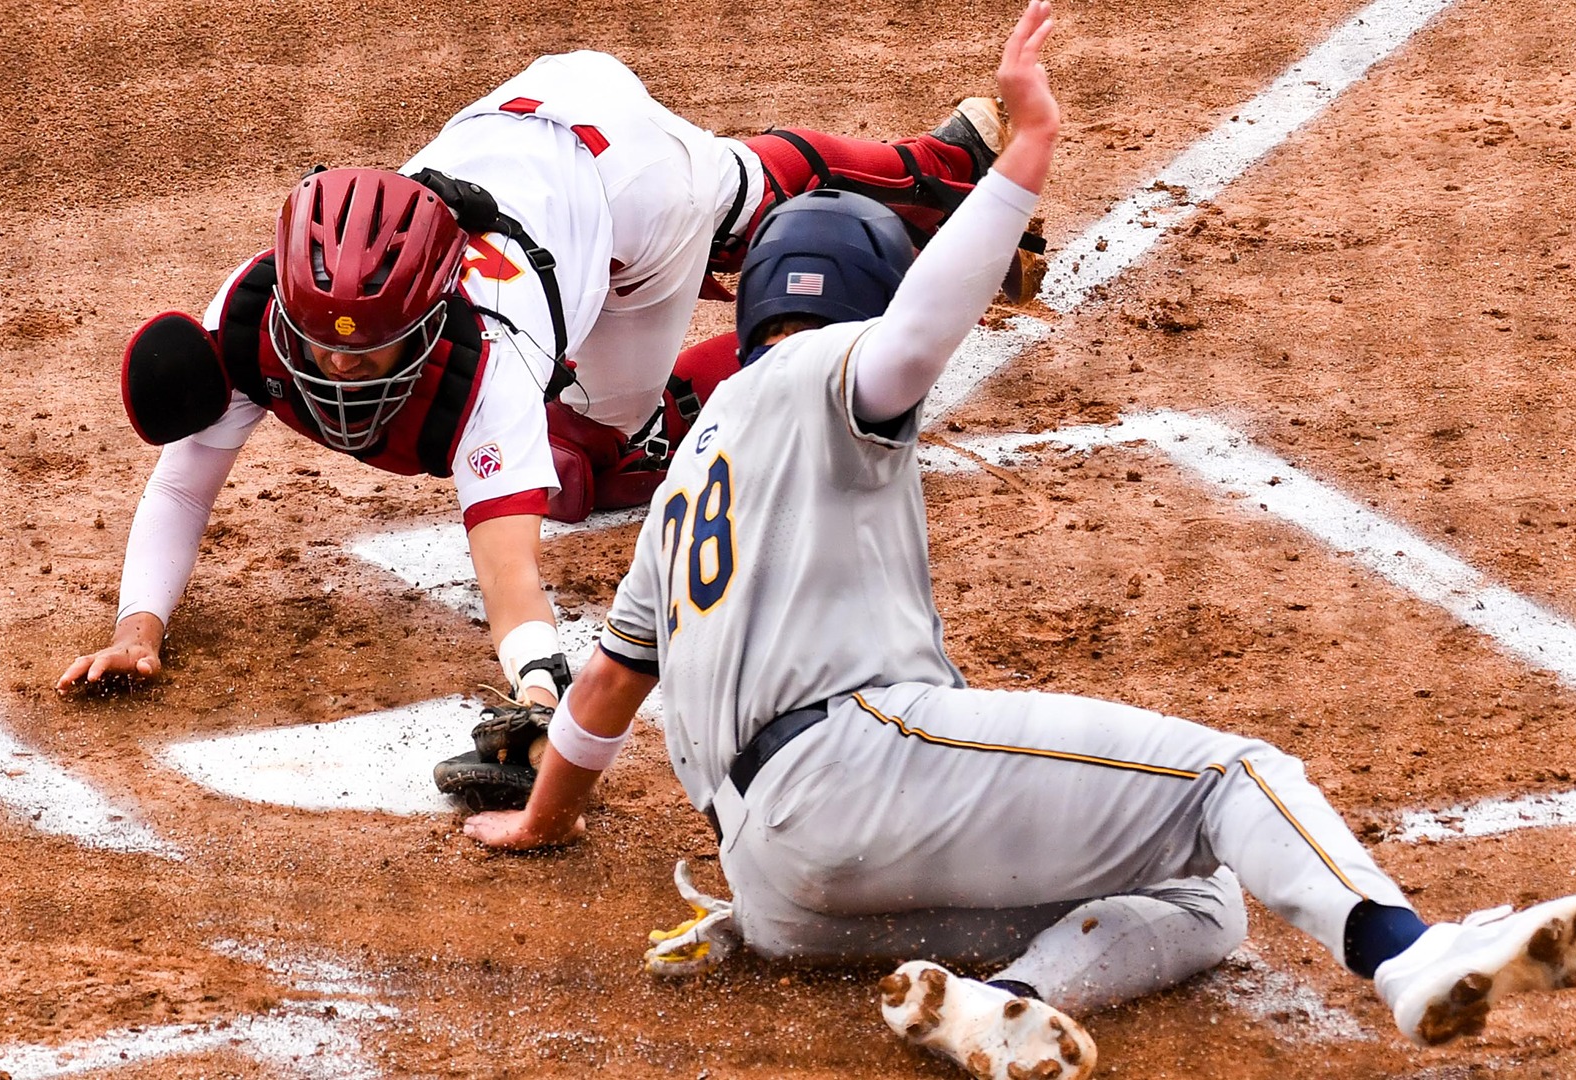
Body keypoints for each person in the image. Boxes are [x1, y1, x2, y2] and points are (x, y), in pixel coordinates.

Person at [461, 6, 1576, 1078]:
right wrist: (1023, 156)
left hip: (779, 895)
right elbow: (911, 346)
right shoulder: (831, 369)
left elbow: (611, 683)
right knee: (1232, 777)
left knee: (1202, 897)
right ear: (860, 300)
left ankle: (1004, 1002)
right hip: (866, 773)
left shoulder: (691, 470)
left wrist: (542, 820)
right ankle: (1408, 953)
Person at [56, 51, 1038, 764]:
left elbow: (509, 570)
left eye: (381, 349)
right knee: (739, 195)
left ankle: (898, 273)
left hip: (632, 190)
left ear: (437, 313)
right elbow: (183, 486)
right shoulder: (250, 316)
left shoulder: (491, 361)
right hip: (533, 122)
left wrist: (538, 680)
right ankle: (942, 169)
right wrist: (139, 628)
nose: (346, 376)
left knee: (590, 457)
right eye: (322, 347)